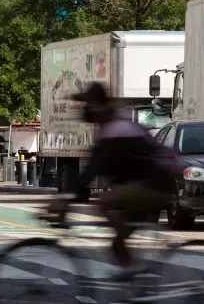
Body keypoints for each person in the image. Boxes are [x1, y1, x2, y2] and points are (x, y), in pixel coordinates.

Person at [47, 82, 181, 279]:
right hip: (147, 184)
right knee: (117, 244)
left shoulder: (116, 129)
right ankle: (134, 276)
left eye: (88, 104)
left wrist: (65, 199)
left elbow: (92, 169)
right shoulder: (110, 127)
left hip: (155, 185)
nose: (85, 110)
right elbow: (94, 166)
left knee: (104, 201)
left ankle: (133, 265)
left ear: (98, 106)